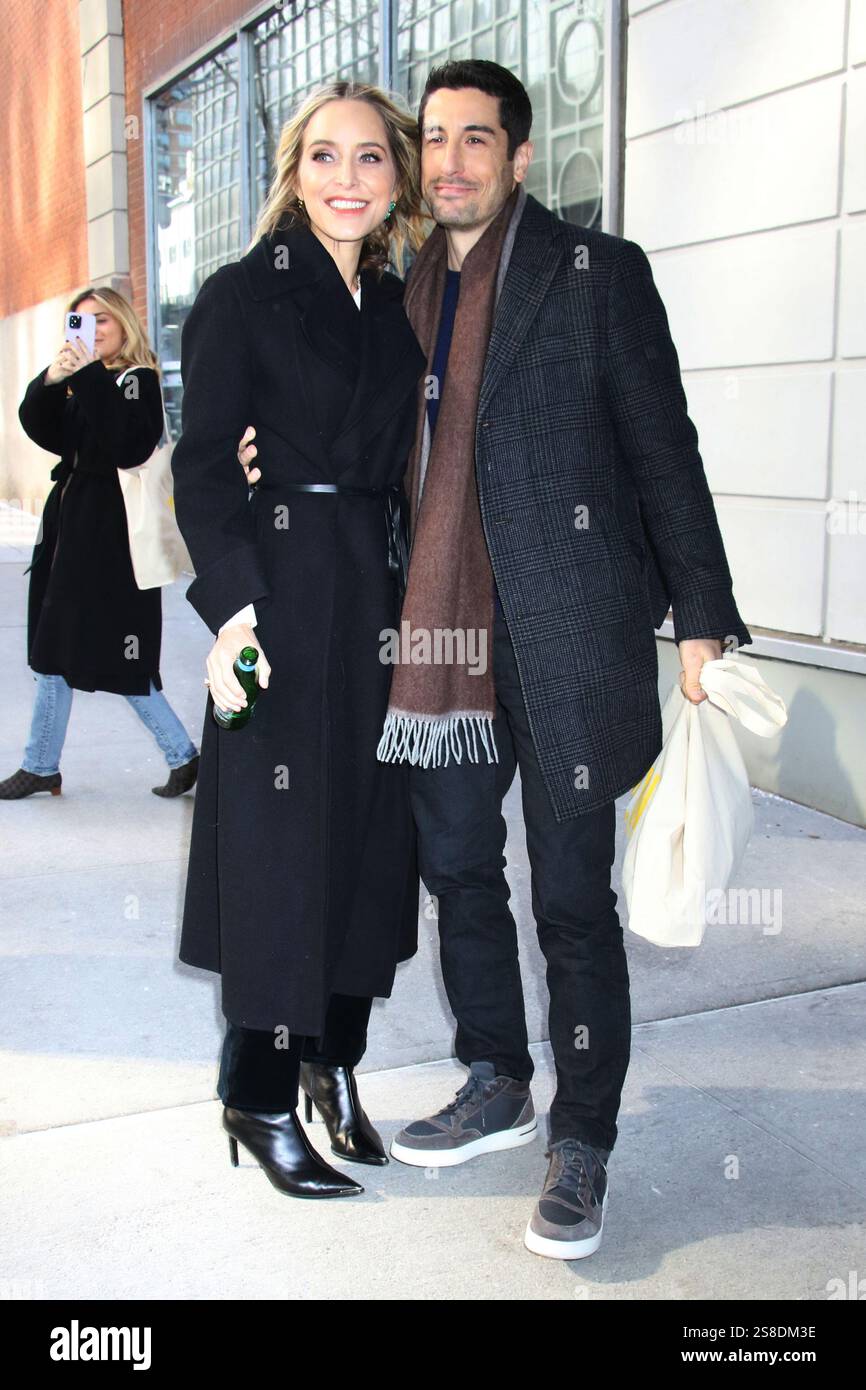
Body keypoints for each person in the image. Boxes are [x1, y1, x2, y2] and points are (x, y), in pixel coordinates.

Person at [242, 61, 753, 1257]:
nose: (451, 160)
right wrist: (270, 463)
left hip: (571, 635)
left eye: (477, 139)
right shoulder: (397, 294)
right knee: (460, 875)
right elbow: (353, 450)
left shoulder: (593, 274)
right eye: (434, 140)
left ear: (518, 156)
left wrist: (703, 620)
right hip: (436, 644)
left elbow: (663, 453)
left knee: (571, 904)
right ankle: (494, 1074)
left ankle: (581, 1137)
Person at [171, 83, 428, 1199]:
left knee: (369, 843)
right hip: (279, 594)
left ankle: (335, 1062)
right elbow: (195, 469)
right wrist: (231, 611)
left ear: (395, 178)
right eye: (324, 156)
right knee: (278, 853)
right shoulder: (241, 296)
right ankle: (258, 1092)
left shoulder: (400, 304)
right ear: (293, 170)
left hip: (379, 593)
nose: (346, 178)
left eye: (369, 158)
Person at [3, 288, 199, 801]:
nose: (93, 330)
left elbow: (126, 444)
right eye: (82, 321)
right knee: (55, 649)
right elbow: (44, 430)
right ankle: (42, 763)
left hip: (111, 542)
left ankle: (182, 754)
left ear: (123, 324)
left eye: (102, 320)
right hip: (72, 533)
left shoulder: (138, 381)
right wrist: (53, 379)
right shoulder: (84, 382)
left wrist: (88, 376)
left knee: (121, 657)